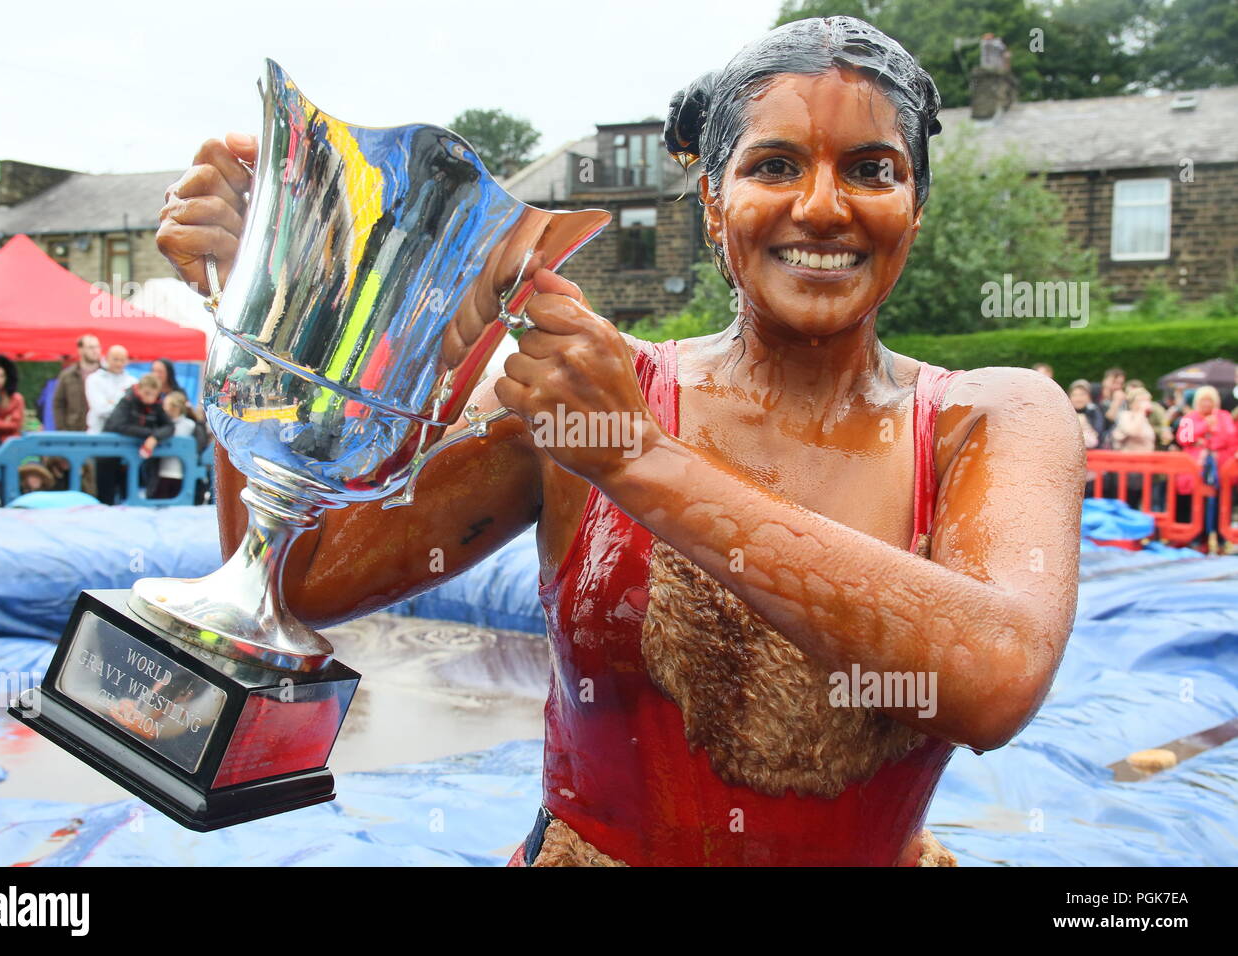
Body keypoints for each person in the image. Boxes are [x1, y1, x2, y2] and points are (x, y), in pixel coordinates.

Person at [157, 16, 1084, 867]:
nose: (823, 206)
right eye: (774, 166)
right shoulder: (581, 394)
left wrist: (638, 459)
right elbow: (295, 582)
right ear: (713, 205)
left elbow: (994, 680)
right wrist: (267, 307)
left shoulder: (993, 418)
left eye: (873, 169)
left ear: (915, 206)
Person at [1175, 385, 1238, 550]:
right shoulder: (1190, 417)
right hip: (1196, 471)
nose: (1207, 404)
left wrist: (1209, 441)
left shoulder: (1223, 417)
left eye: (1210, 400)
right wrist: (1204, 427)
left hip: (1220, 470)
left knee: (1221, 506)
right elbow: (1183, 438)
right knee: (1196, 505)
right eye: (1203, 400)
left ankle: (1221, 540)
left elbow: (1230, 438)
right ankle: (1197, 538)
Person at [104, 374, 174, 503]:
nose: (150, 399)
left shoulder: (156, 405)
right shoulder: (128, 400)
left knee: (130, 493)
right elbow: (117, 425)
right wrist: (150, 433)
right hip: (113, 454)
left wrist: (155, 437)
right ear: (139, 389)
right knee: (107, 492)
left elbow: (169, 426)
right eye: (147, 393)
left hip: (136, 455)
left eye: (153, 395)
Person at [87, 345, 137, 504]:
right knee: (102, 485)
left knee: (125, 486)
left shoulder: (132, 381)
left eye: (123, 359)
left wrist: (113, 404)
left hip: (125, 440)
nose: (119, 363)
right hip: (100, 438)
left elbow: (132, 411)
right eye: (115, 359)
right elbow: (99, 408)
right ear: (107, 359)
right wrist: (121, 406)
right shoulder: (94, 379)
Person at [147, 390, 207, 499]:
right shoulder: (161, 425)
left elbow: (198, 447)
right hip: (161, 473)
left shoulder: (190, 425)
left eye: (166, 406)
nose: (163, 409)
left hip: (182, 474)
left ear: (175, 408)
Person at [53, 334, 102, 433]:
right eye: (91, 347)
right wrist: (62, 429)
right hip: (75, 431)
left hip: (101, 431)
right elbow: (58, 404)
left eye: (98, 347)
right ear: (80, 350)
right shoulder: (67, 376)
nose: (95, 350)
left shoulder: (107, 375)